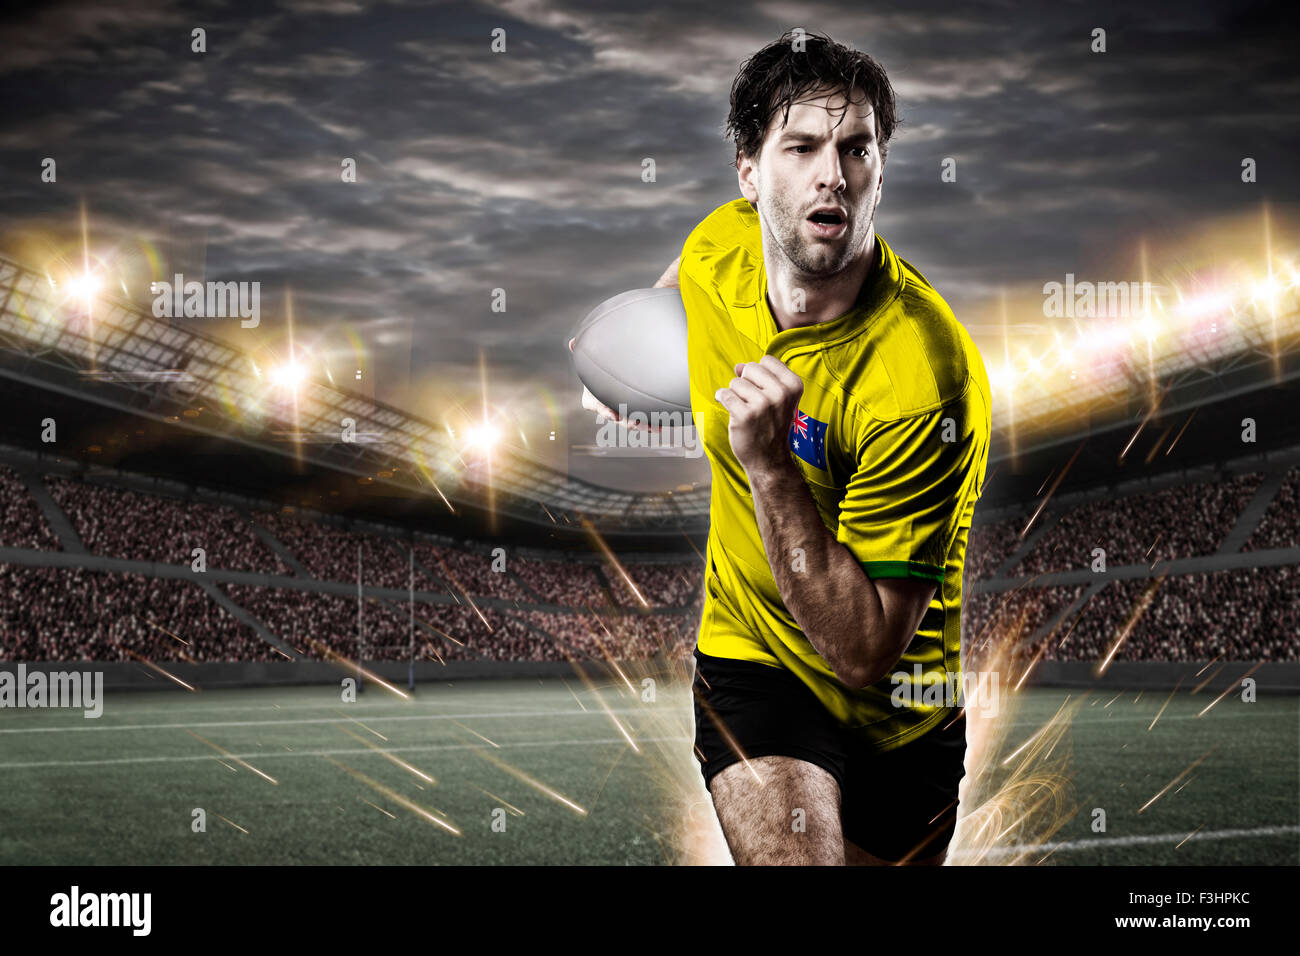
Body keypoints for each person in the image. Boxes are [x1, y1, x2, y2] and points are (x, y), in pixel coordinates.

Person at [657, 31, 991, 865]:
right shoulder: (713, 247)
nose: (830, 173)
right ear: (748, 169)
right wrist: (627, 380)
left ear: (880, 167)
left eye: (856, 148)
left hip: (897, 709)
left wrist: (770, 468)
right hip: (753, 662)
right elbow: (660, 313)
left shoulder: (924, 376)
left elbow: (864, 651)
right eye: (800, 146)